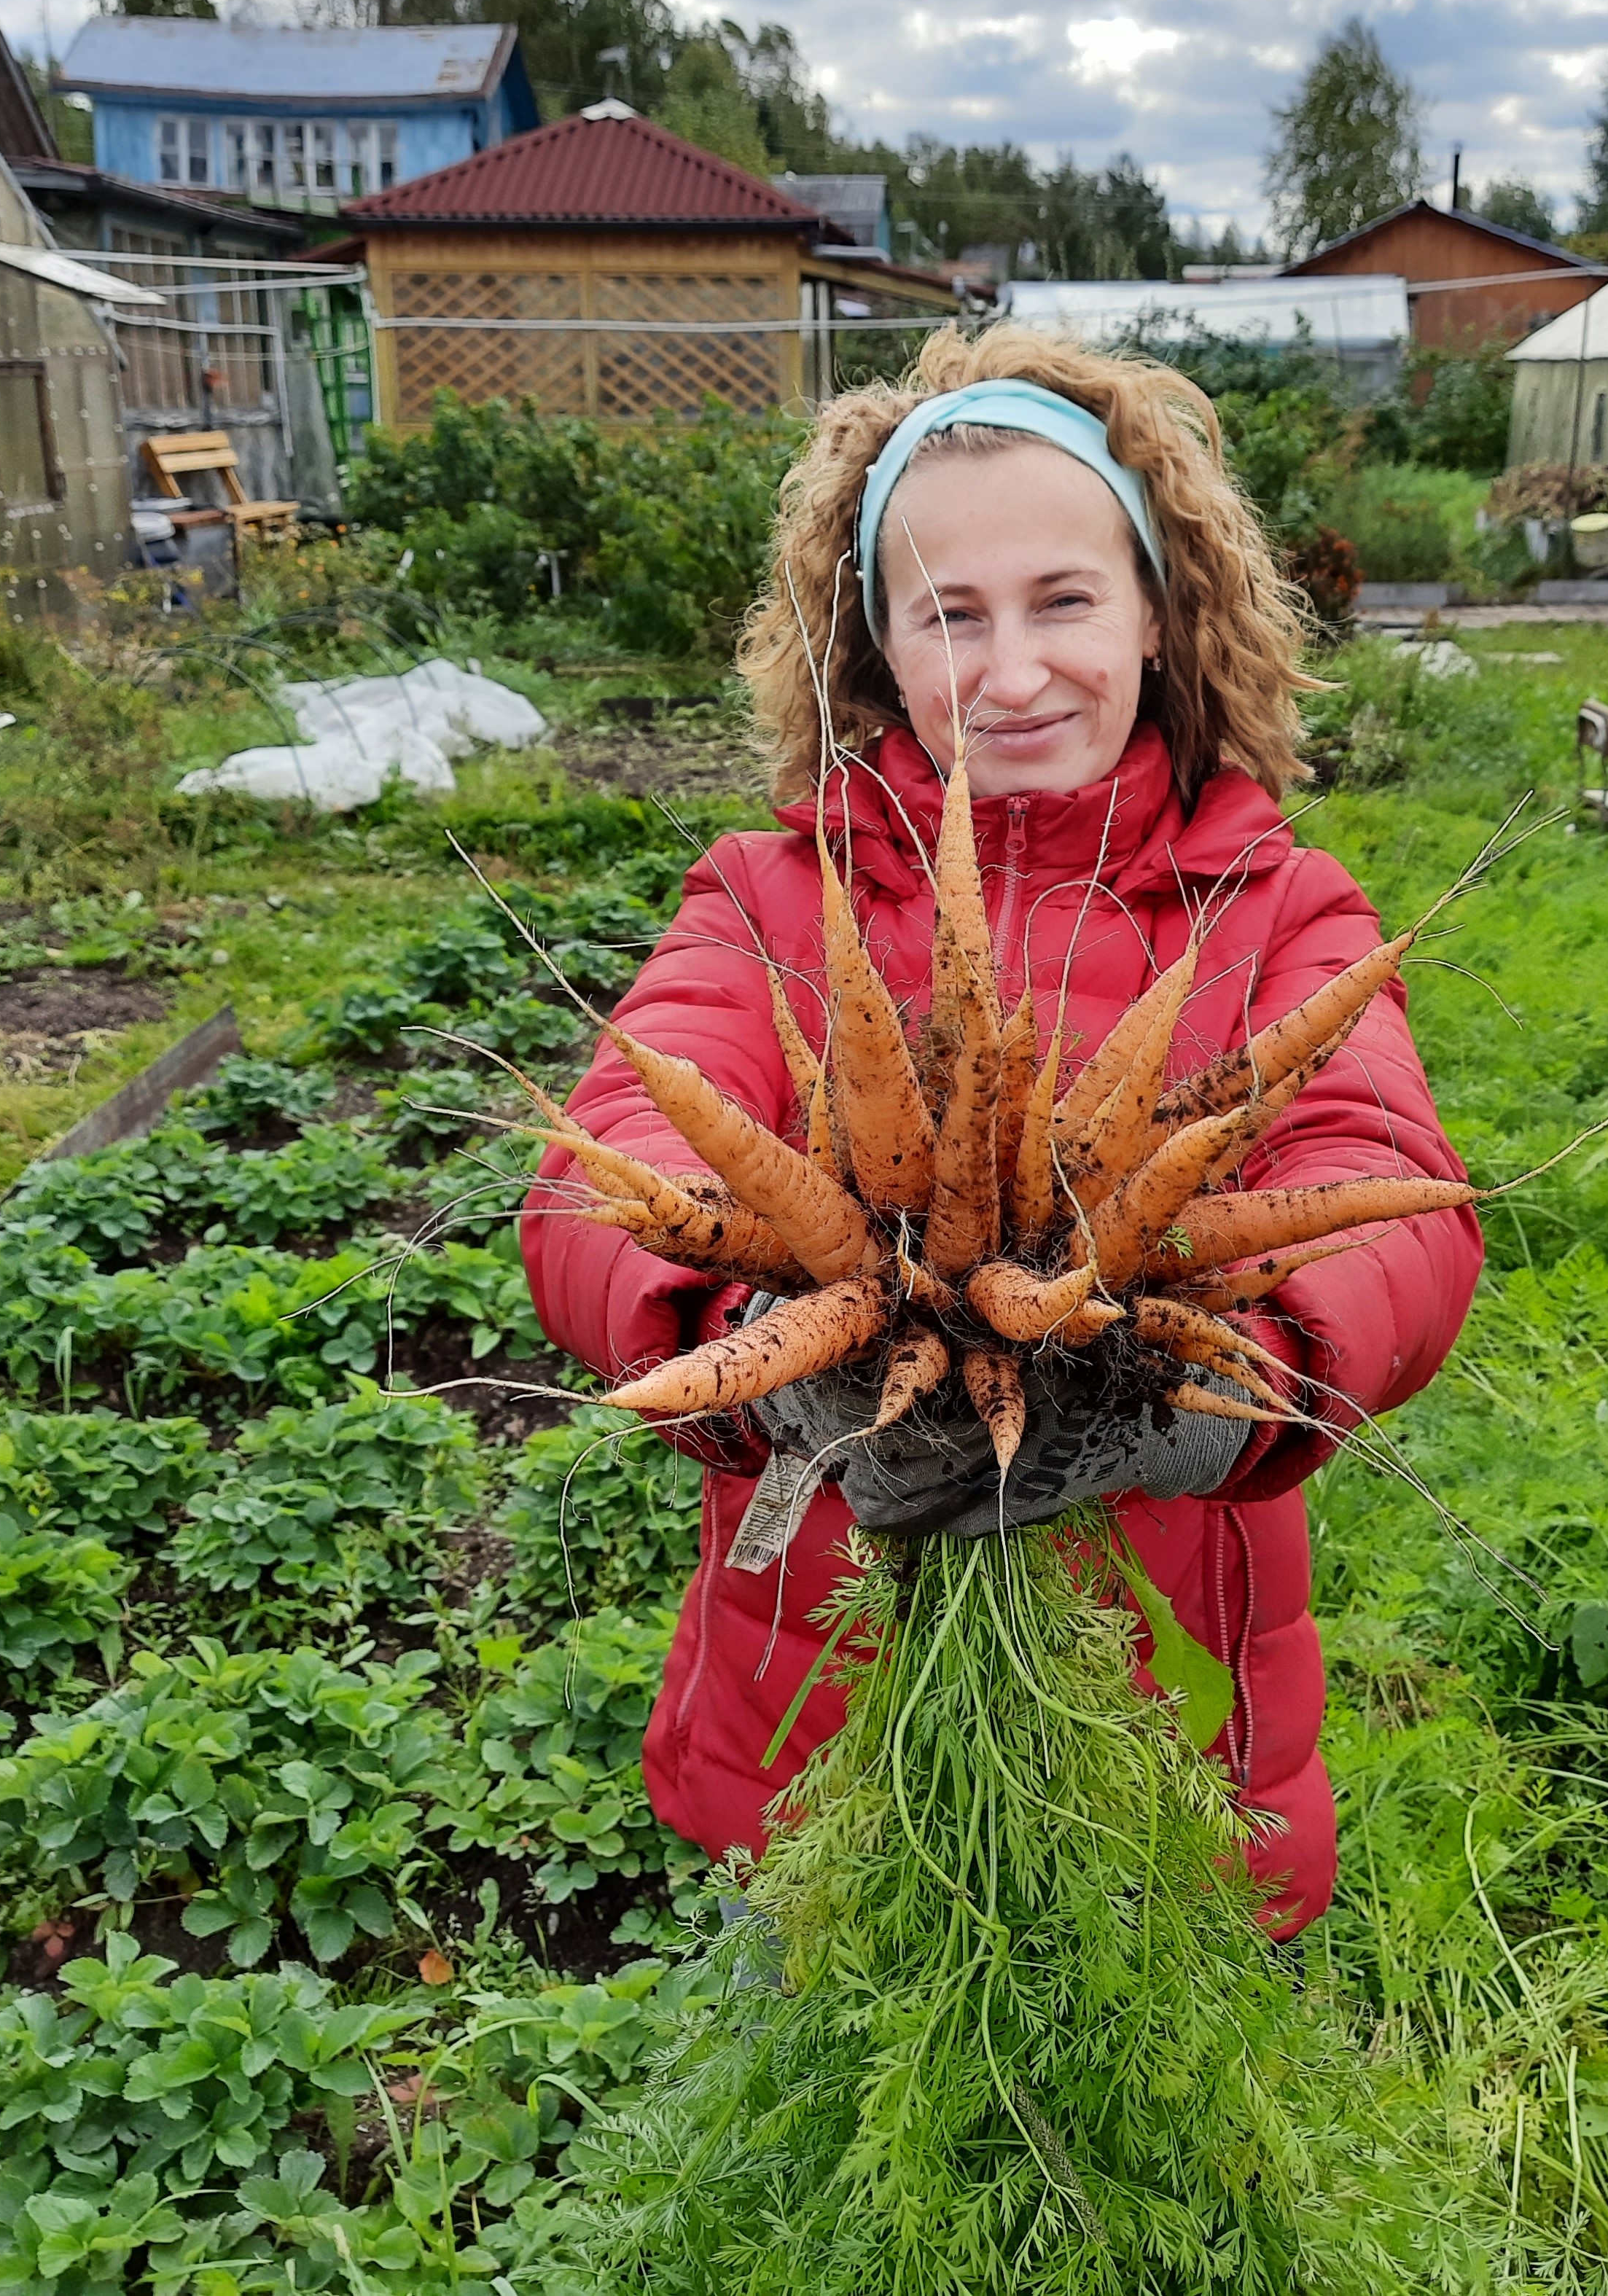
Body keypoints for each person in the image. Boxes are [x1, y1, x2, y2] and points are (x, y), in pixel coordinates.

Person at [518, 324, 1482, 1932]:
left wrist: (1225, 1402)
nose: (1011, 670)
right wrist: (761, 1351)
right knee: (841, 2085)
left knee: (1157, 2098)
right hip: (829, 1702)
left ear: (1162, 613)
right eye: (948, 616)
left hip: (1165, 1703)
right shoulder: (768, 900)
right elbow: (615, 1142)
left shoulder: (1276, 914)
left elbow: (1387, 1192)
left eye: (1063, 600)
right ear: (873, 647)